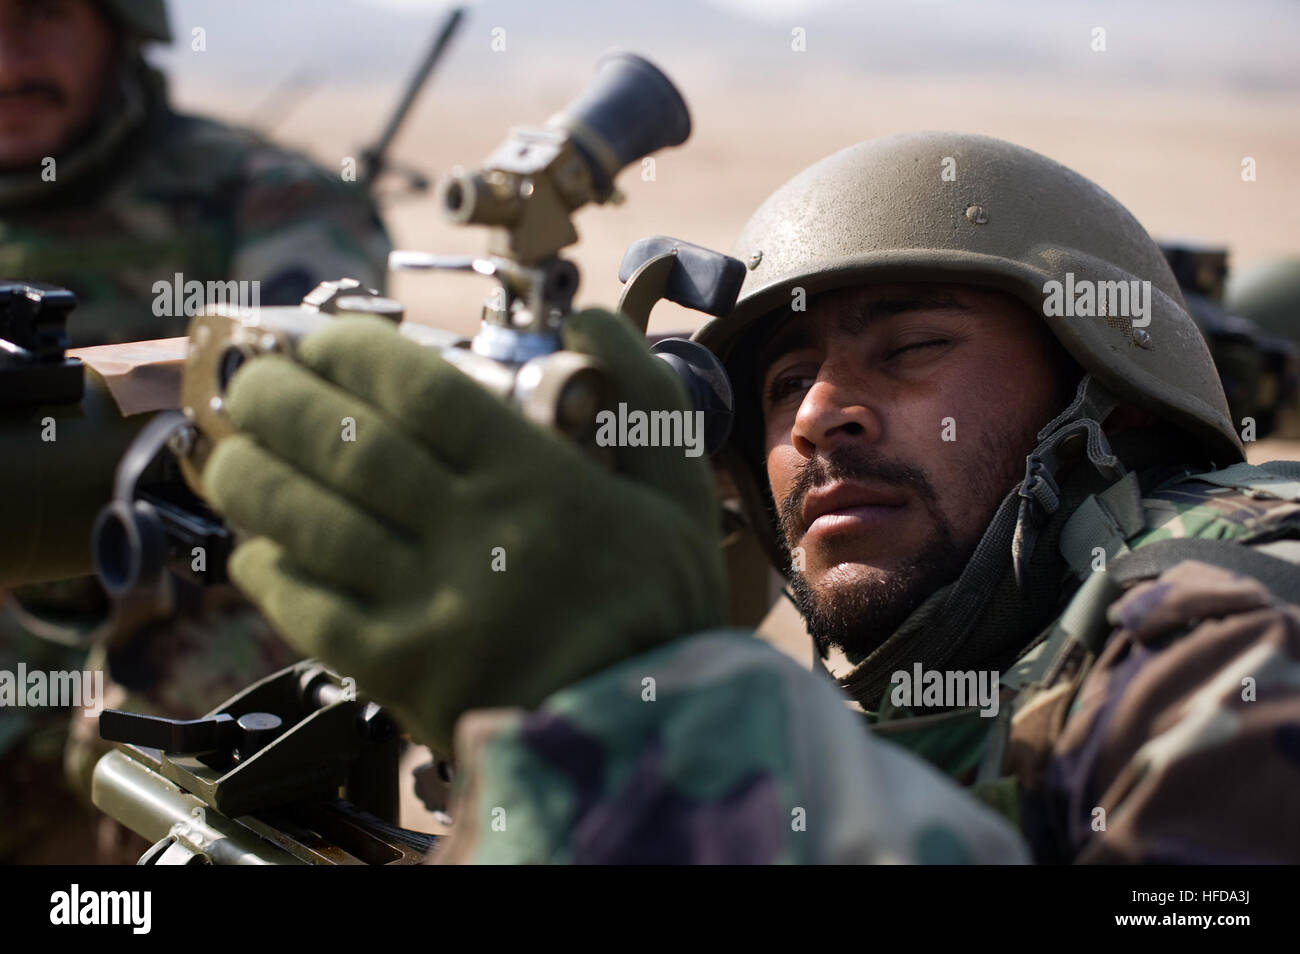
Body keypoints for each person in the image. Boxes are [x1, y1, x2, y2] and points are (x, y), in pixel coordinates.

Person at [199, 131, 1300, 863]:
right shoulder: (971, 700)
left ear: (1112, 400)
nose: (819, 415)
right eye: (779, 387)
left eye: (911, 346)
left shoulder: (1233, 630)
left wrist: (628, 713)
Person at [0, 0, 389, 863]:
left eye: (42, 16)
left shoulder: (264, 199)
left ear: (120, 26)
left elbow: (325, 443)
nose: (7, 60)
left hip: (145, 689)